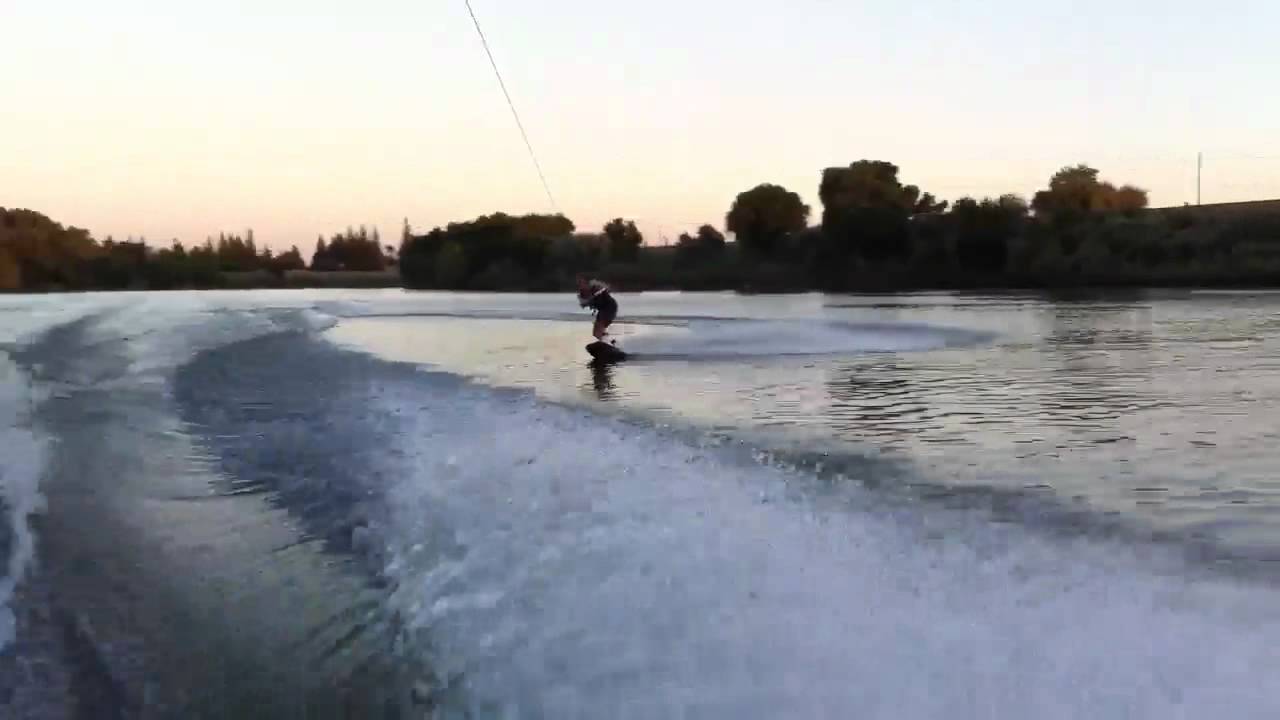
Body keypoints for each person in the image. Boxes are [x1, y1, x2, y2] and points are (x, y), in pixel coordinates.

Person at [576, 274, 618, 343]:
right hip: (602, 310)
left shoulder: (595, 286)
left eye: (581, 283)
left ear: (586, 283)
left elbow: (607, 288)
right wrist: (587, 301)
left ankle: (606, 342)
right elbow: (583, 304)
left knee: (600, 326)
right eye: (579, 284)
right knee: (595, 333)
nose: (580, 285)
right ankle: (610, 341)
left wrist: (599, 290)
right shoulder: (582, 294)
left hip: (610, 306)